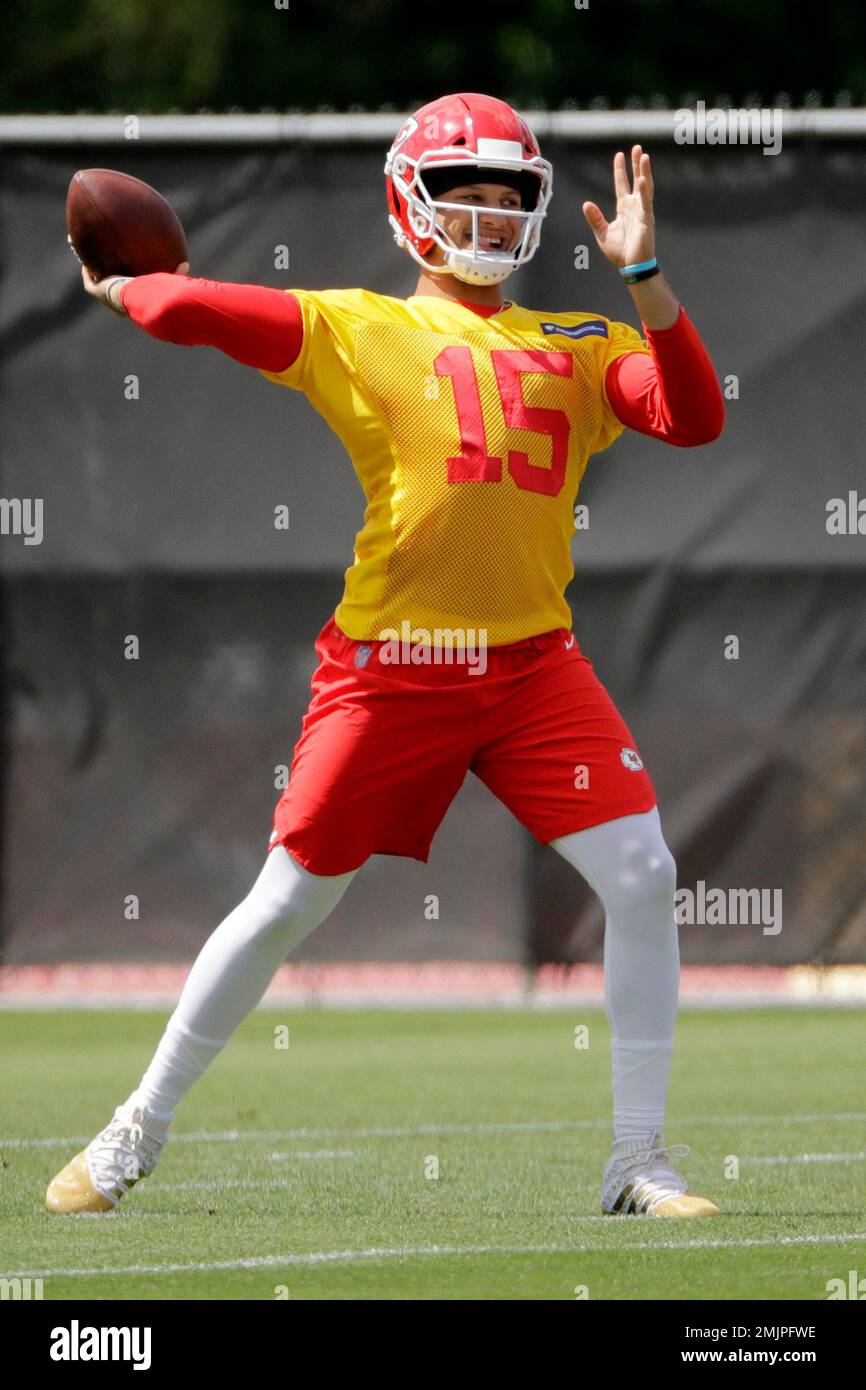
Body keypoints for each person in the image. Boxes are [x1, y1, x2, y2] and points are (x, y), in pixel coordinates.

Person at [47, 92, 724, 1219]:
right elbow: (201, 312)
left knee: (644, 875)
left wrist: (645, 279)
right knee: (284, 903)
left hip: (532, 669)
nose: (488, 216)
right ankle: (133, 1130)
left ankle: (635, 1160)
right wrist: (129, 286)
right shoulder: (359, 326)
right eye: (464, 193)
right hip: (392, 663)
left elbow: (694, 417)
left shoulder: (579, 336)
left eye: (508, 197)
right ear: (408, 205)